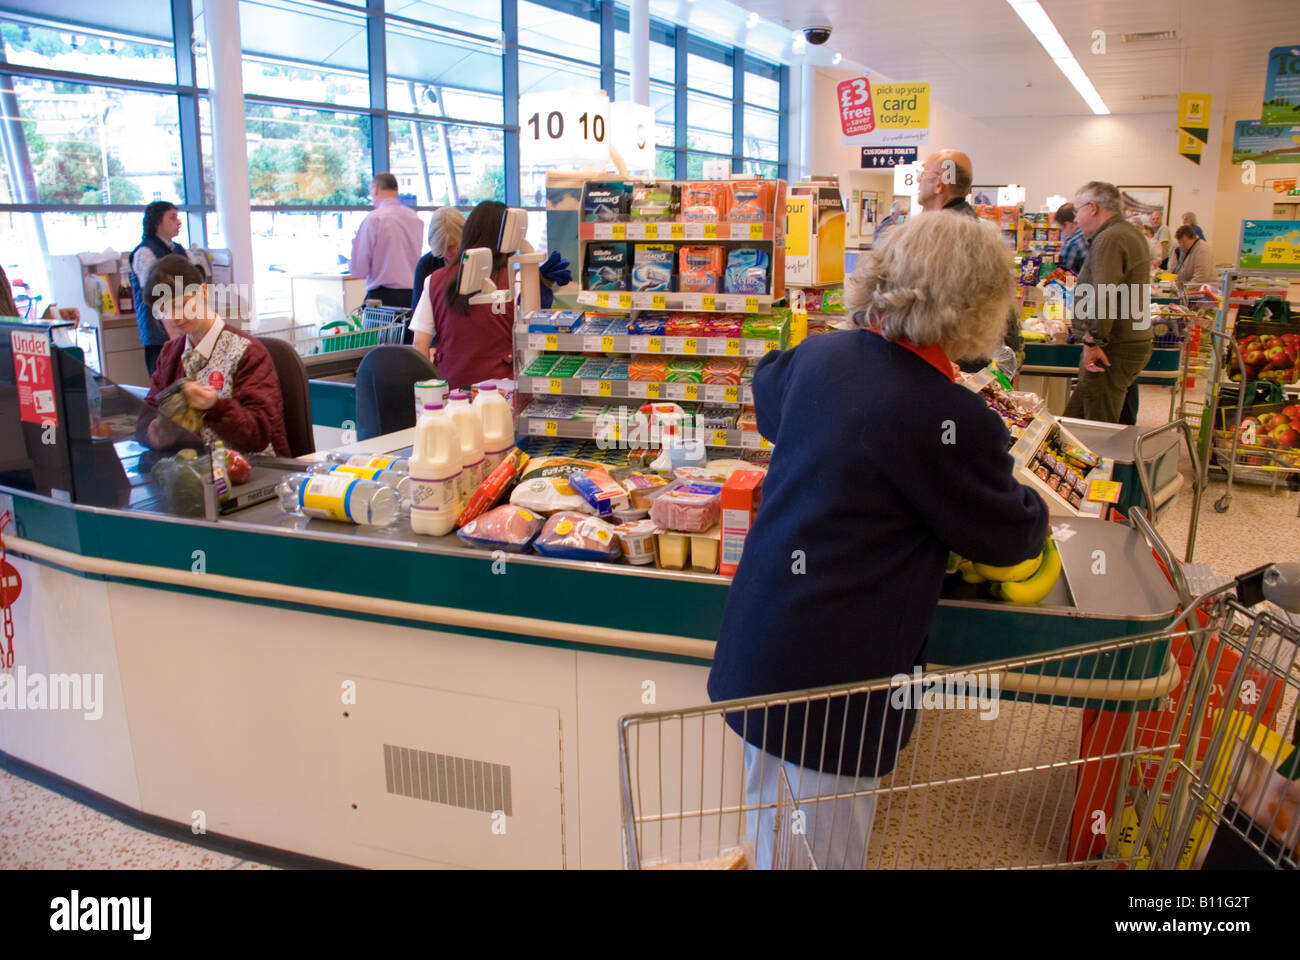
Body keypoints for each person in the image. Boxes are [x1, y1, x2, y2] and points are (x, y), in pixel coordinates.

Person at [708, 213, 1049, 870]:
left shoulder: (817, 357)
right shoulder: (948, 415)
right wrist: (1033, 498)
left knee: (765, 828)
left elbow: (771, 394)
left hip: (760, 648)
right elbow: (1009, 536)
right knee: (824, 851)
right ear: (976, 308)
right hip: (839, 684)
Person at [137, 254, 289, 457]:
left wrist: (214, 407)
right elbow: (145, 418)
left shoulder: (246, 352)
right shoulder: (170, 354)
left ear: (202, 292)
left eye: (181, 305)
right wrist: (158, 429)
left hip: (253, 472)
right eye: (165, 310)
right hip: (197, 472)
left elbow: (258, 435)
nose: (174, 317)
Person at [1063, 181, 1153, 425]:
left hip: (1112, 345)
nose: (1077, 219)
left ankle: (1101, 463)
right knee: (1077, 419)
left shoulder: (1110, 238)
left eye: (1077, 211)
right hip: (1127, 340)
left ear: (1092, 208)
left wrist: (1093, 340)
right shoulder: (1129, 233)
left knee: (1096, 426)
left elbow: (1103, 293)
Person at [411, 201, 514, 387]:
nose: (450, 254)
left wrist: (429, 390)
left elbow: (419, 342)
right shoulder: (514, 279)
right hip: (503, 387)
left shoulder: (433, 280)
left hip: (452, 385)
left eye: (453, 247)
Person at [349, 172, 424, 311]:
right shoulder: (415, 218)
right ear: (396, 190)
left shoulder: (374, 219)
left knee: (377, 333)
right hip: (413, 296)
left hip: (382, 299)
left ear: (375, 188)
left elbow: (359, 269)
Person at [130, 201, 187, 375]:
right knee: (163, 384)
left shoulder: (178, 249)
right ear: (157, 223)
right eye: (172, 217)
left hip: (182, 325)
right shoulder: (145, 252)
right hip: (159, 331)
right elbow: (154, 294)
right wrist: (171, 328)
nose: (178, 222)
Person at [411, 207, 465, 314]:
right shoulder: (426, 265)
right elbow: (418, 312)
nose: (449, 253)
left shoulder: (475, 259)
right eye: (443, 249)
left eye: (453, 246)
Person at [915, 149, 975, 214]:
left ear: (938, 185)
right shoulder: (965, 219)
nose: (918, 180)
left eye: (923, 174)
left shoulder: (943, 223)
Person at [1054, 202, 1088, 274]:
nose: (1063, 234)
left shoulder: (1072, 242)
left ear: (1068, 224)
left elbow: (1065, 274)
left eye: (1062, 229)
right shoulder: (1087, 235)